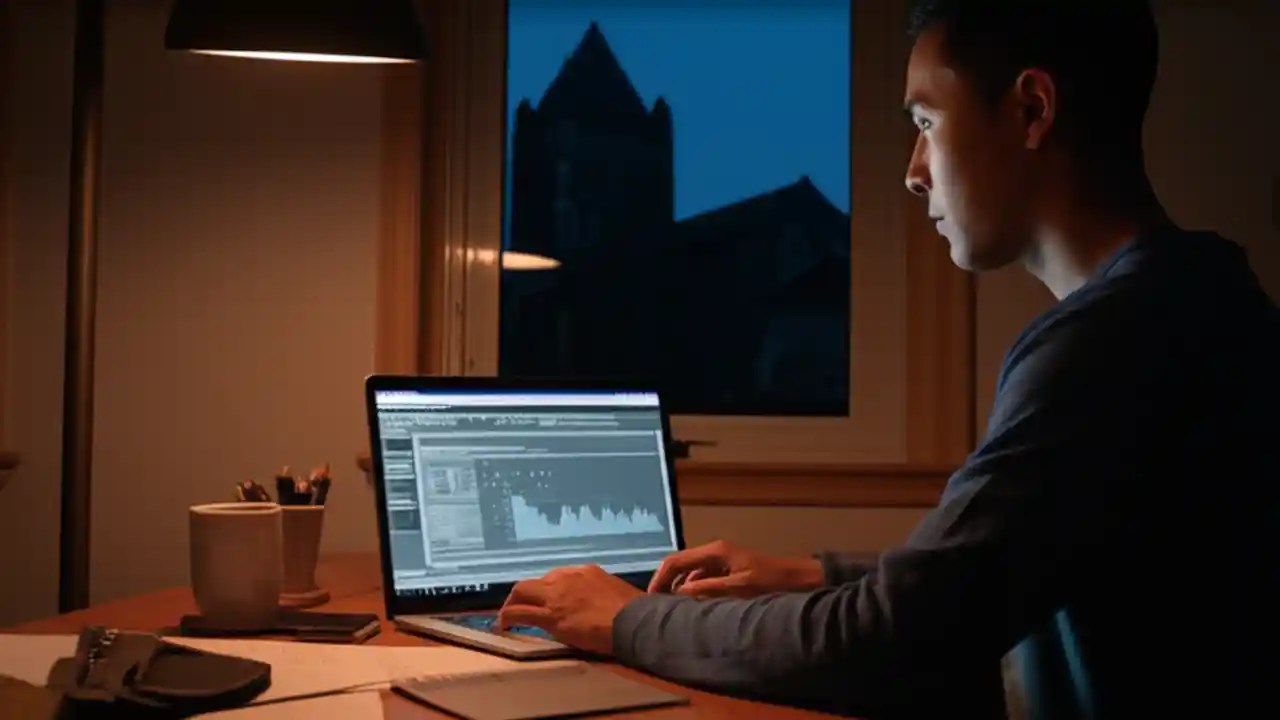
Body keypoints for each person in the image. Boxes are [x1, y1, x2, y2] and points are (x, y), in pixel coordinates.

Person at [498, 1, 1280, 717]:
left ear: (1032, 110)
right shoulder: (1200, 294)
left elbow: (897, 640)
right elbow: (1003, 571)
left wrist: (628, 618)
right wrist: (817, 574)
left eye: (927, 121)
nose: (913, 170)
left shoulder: (1111, 341)